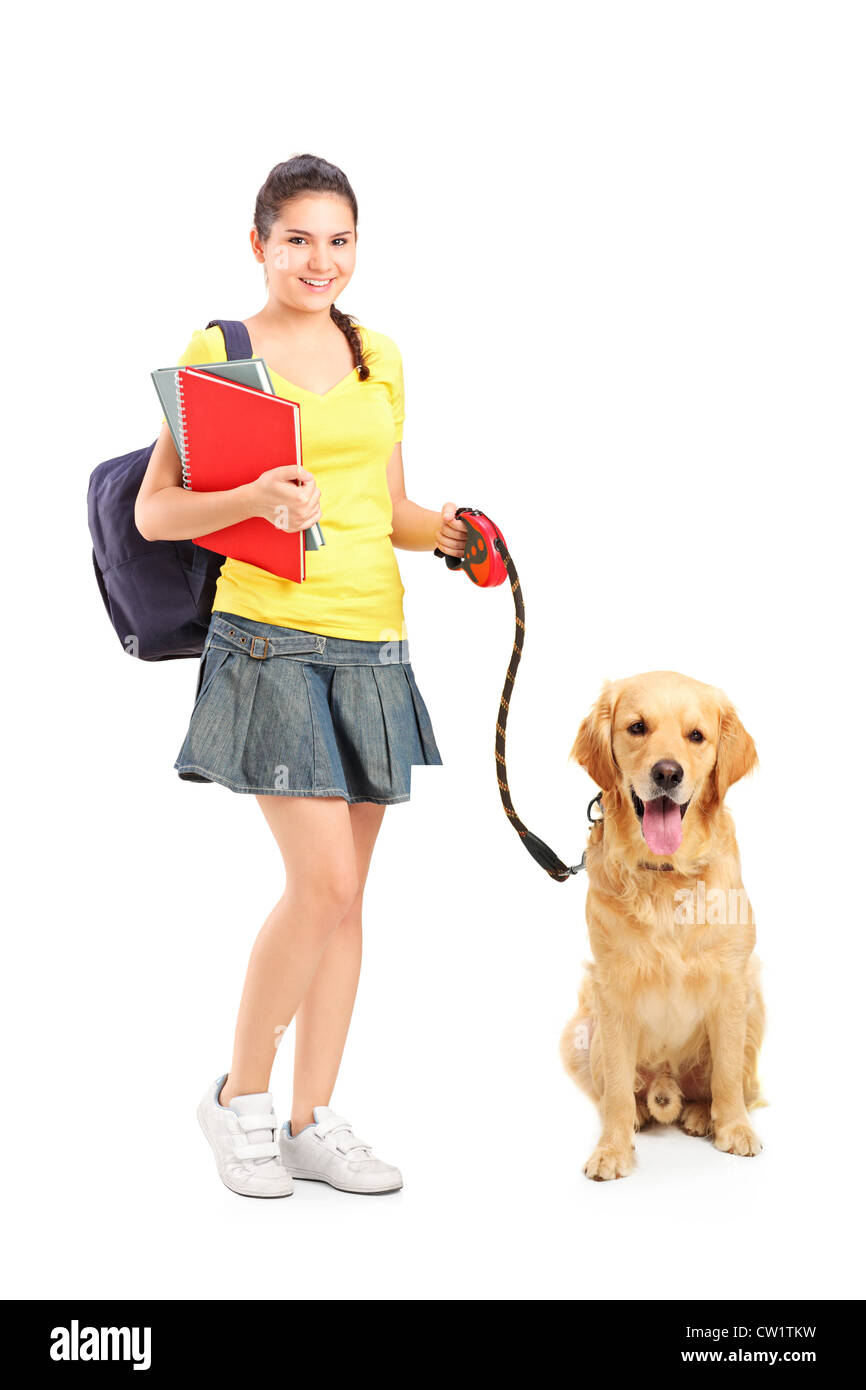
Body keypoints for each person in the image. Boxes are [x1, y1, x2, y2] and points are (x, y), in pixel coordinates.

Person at [135, 153, 467, 1198]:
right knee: (316, 883)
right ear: (258, 244)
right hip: (270, 639)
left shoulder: (378, 355)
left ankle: (314, 1118)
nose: (319, 261)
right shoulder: (223, 352)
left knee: (347, 899)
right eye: (297, 240)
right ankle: (241, 1097)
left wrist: (455, 535)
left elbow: (391, 508)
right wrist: (250, 504)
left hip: (374, 642)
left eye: (339, 240)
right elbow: (157, 512)